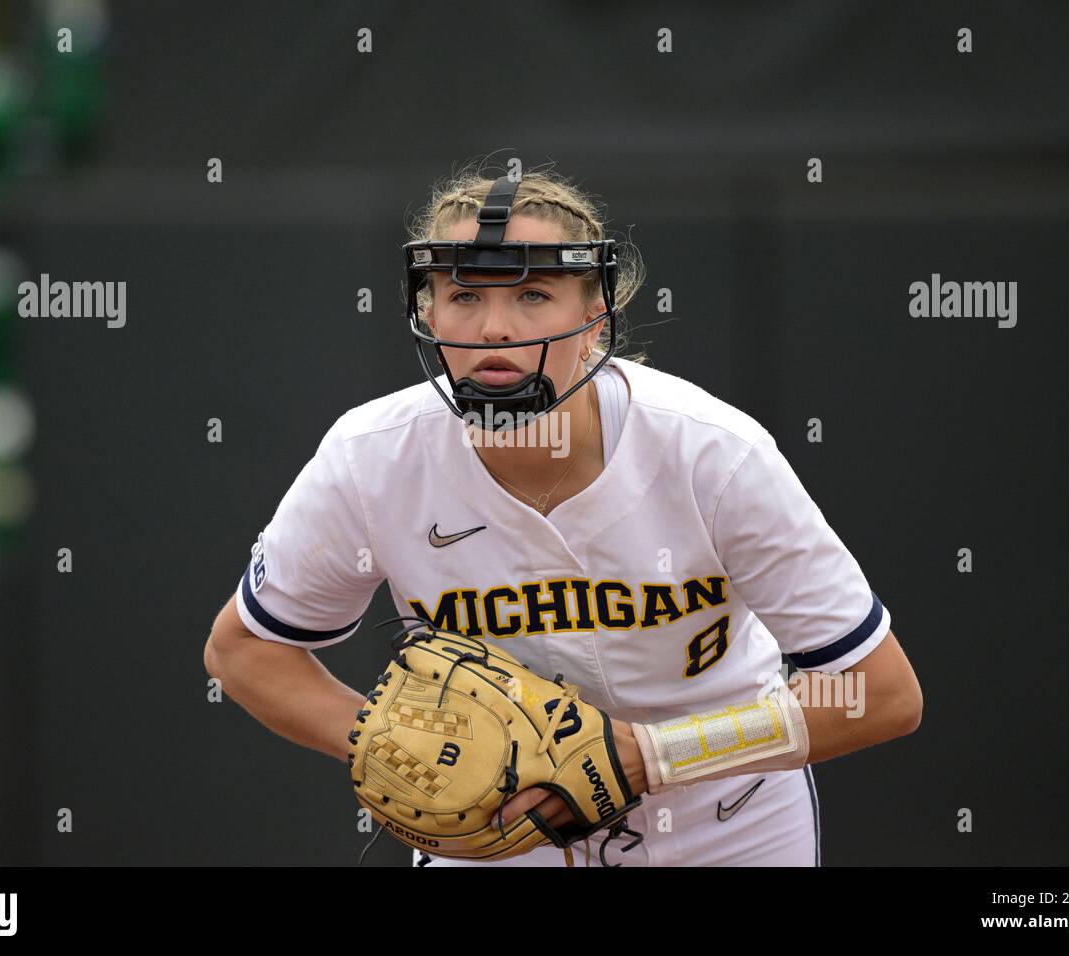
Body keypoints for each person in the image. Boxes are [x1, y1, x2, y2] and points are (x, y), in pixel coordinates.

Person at [203, 164, 923, 867]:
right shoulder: (372, 458)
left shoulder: (713, 452)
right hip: (501, 828)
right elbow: (242, 651)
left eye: (533, 295)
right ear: (426, 313)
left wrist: (647, 759)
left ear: (595, 318)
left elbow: (882, 694)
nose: (493, 328)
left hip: (727, 816)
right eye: (462, 296)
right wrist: (386, 745)